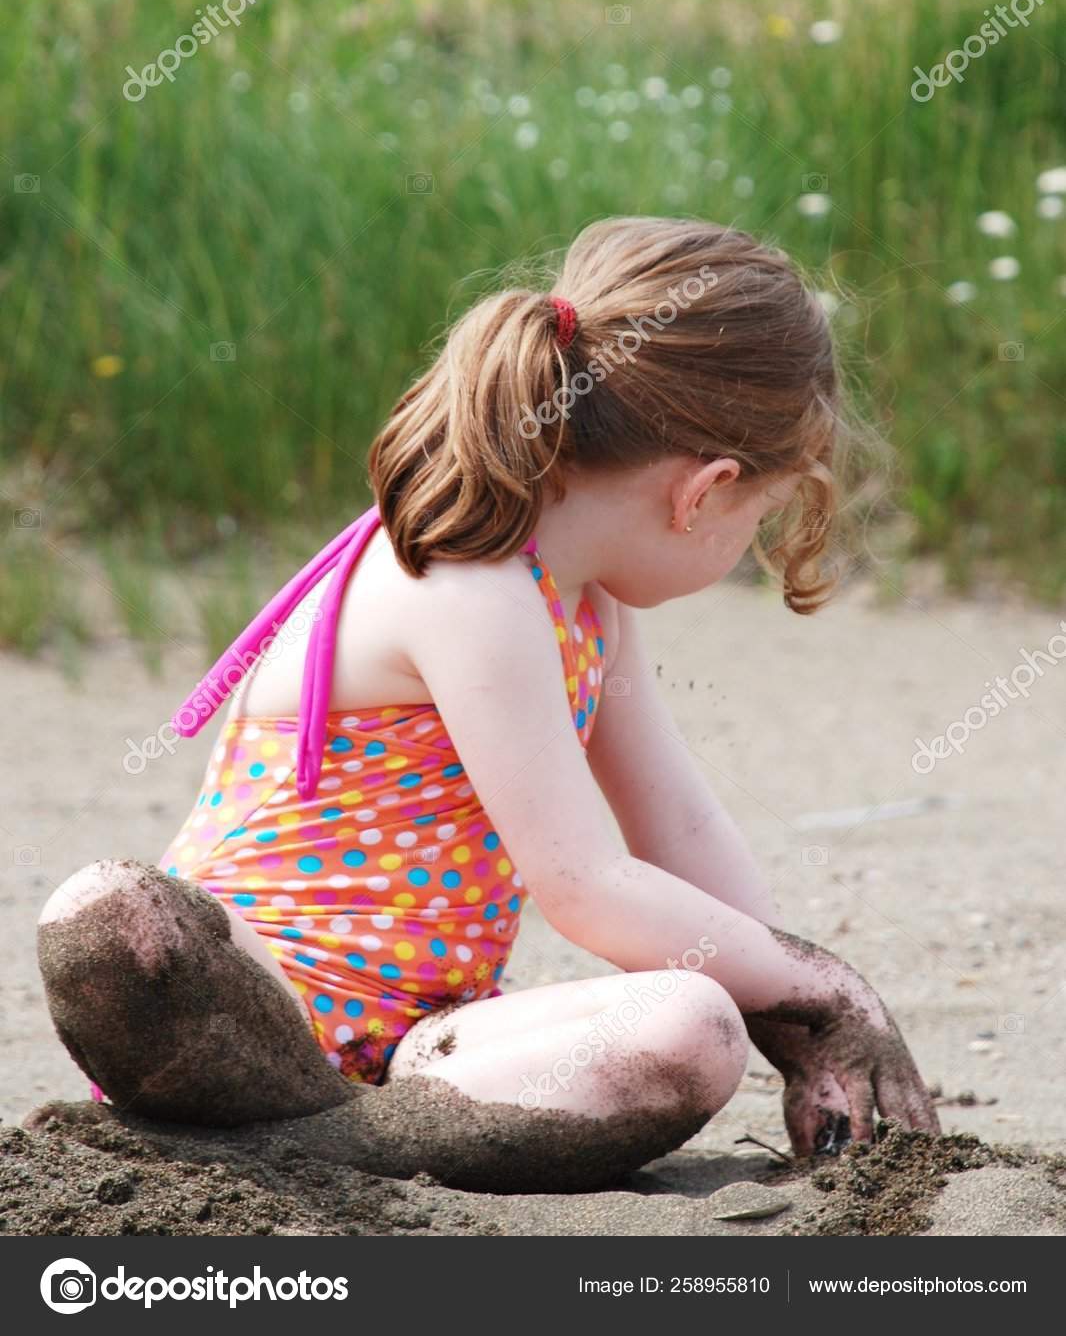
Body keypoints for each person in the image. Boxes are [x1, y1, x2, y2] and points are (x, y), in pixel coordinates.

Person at [37, 216, 938, 1192]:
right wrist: (833, 988)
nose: (748, 543)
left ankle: (336, 1134)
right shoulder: (472, 586)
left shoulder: (585, 599)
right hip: (259, 1007)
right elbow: (581, 881)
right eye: (759, 517)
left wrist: (798, 1024)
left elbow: (677, 821)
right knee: (111, 913)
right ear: (703, 490)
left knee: (689, 1026)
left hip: (427, 1049)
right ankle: (271, 1109)